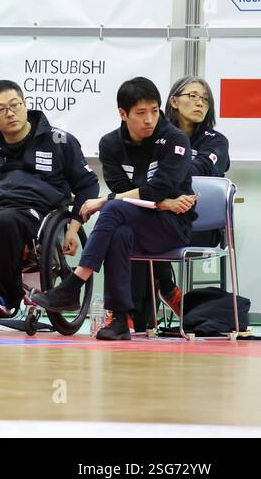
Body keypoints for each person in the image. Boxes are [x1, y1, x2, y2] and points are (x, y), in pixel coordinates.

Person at [30, 77, 196, 341]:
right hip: (140, 219)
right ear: (123, 113)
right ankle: (119, 319)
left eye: (154, 111)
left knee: (112, 209)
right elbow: (133, 191)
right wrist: (157, 200)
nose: (149, 119)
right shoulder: (110, 144)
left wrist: (104, 200)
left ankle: (74, 284)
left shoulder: (175, 139)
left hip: (172, 225)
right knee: (118, 233)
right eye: (141, 113)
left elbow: (157, 188)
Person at [0, 79, 98, 315]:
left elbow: (88, 186)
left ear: (25, 105)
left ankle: (2, 294)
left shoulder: (60, 142)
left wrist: (74, 228)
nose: (10, 113)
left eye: (15, 105)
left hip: (33, 216)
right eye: (1, 110)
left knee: (7, 219)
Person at [130, 76, 230, 326]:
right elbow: (141, 177)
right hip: (161, 217)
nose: (200, 103)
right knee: (131, 229)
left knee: (146, 230)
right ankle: (140, 306)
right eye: (193, 96)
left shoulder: (215, 141)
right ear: (174, 101)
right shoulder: (154, 136)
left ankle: (155, 297)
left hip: (199, 227)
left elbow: (203, 167)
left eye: (205, 99)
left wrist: (167, 175)